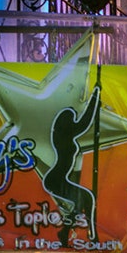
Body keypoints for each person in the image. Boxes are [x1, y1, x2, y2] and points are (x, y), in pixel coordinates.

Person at [40, 86, 101, 241]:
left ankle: (67, 232)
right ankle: (91, 234)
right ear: (66, 123)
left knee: (83, 200)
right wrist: (94, 98)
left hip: (59, 179)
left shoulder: (65, 138)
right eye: (72, 118)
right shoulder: (64, 138)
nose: (75, 120)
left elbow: (82, 124)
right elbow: (85, 123)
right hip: (56, 180)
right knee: (87, 197)